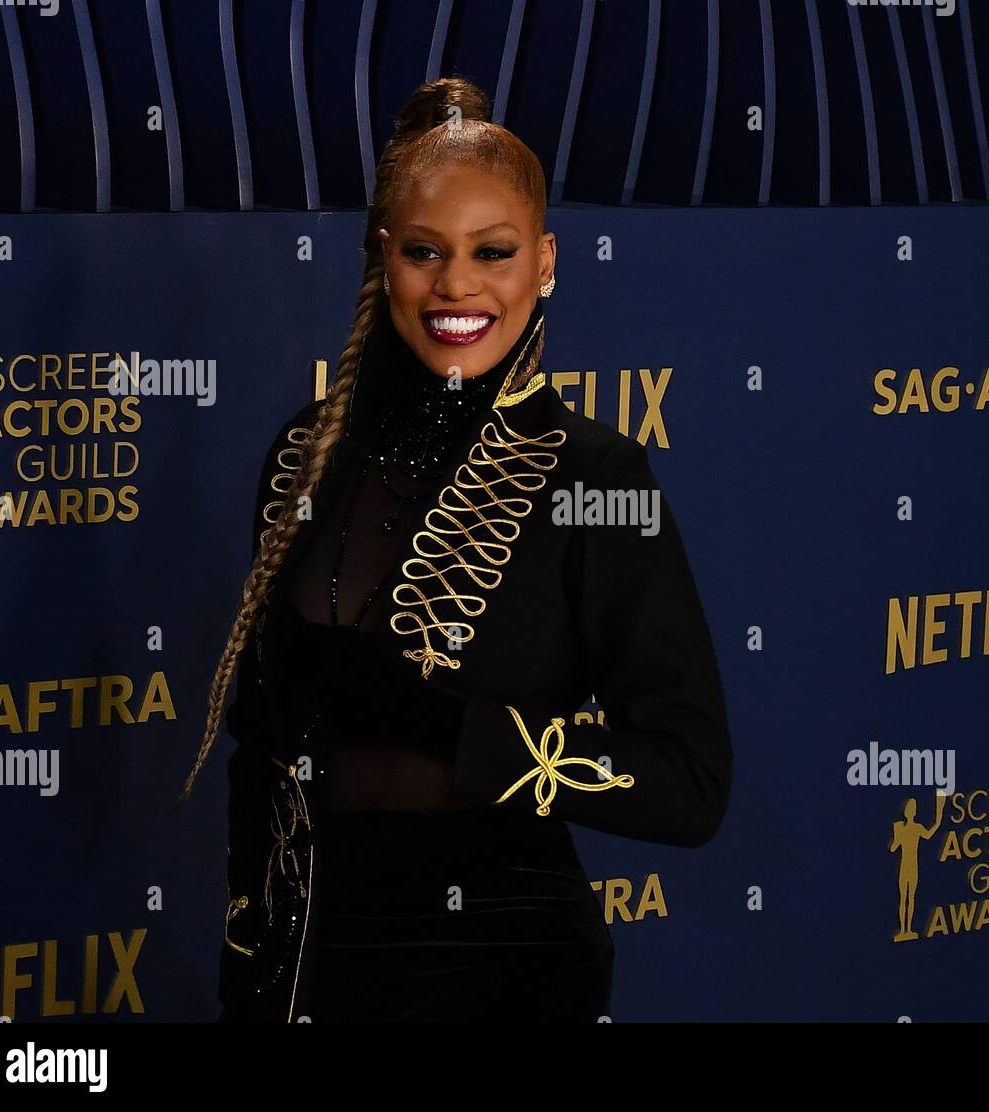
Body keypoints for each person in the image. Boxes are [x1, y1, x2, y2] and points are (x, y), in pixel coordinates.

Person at [178, 76, 733, 1022]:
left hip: (501, 962)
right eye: (426, 252)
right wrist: (249, 917)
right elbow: (257, 741)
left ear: (546, 261)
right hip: (303, 961)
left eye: (495, 252)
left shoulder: (594, 476)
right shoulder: (304, 458)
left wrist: (443, 726)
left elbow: (687, 782)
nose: (458, 287)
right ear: (380, 257)